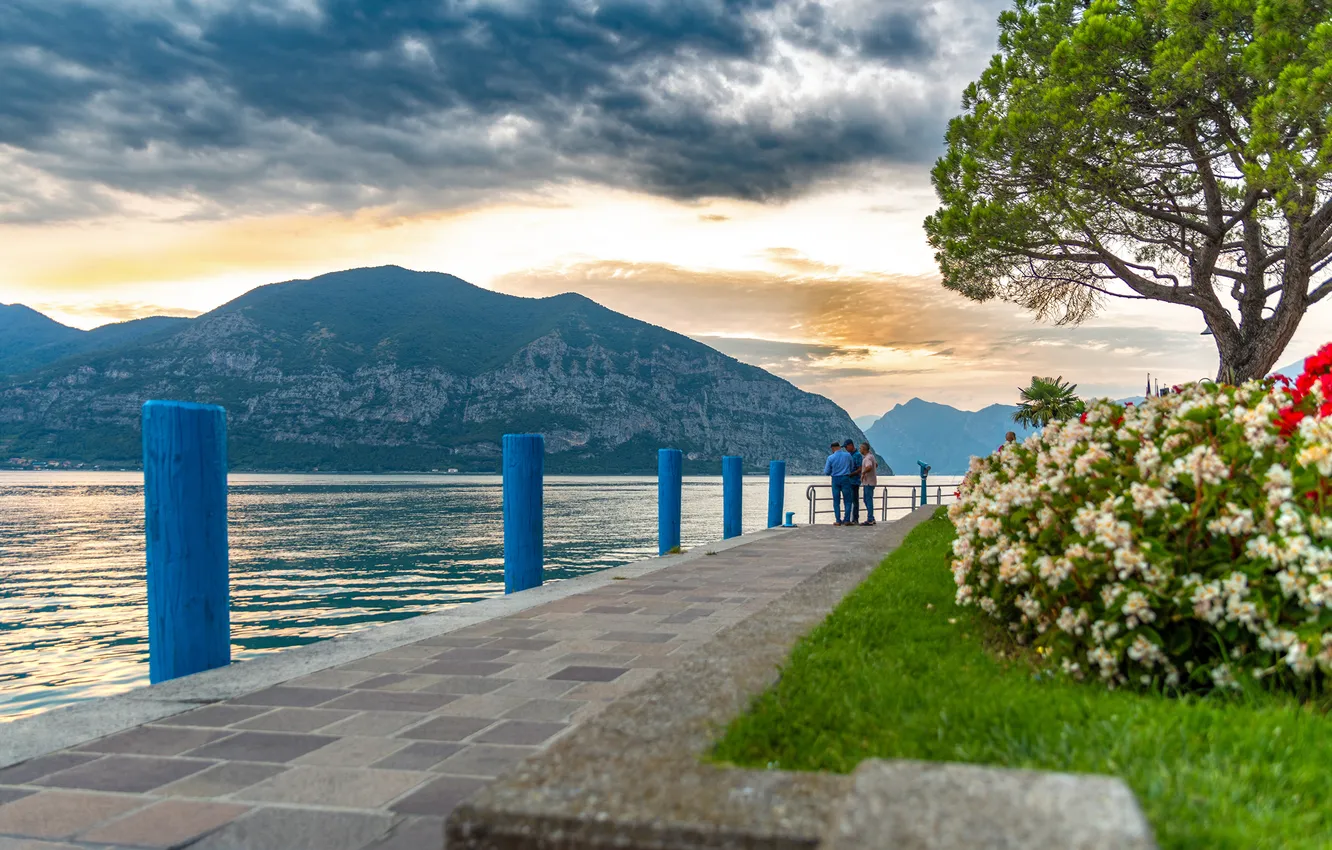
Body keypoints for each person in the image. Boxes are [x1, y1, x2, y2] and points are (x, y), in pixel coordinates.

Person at [822, 440, 855, 525]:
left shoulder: (830, 458)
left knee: (836, 501)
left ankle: (838, 520)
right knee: (847, 501)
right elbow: (852, 467)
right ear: (839, 447)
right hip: (845, 478)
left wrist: (833, 472)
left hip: (835, 479)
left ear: (833, 448)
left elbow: (826, 472)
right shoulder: (848, 455)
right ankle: (847, 520)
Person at [858, 441, 878, 525]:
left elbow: (869, 467)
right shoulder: (871, 456)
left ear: (864, 449)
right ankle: (871, 517)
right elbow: (876, 464)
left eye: (860, 448)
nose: (860, 450)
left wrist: (863, 473)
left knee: (868, 500)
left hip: (868, 483)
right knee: (867, 500)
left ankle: (870, 519)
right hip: (871, 481)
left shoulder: (867, 458)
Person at [844, 439, 862, 525]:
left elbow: (860, 469)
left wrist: (851, 474)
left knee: (855, 501)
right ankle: (847, 518)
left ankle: (855, 518)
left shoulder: (857, 455)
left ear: (851, 445)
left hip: (855, 481)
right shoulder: (848, 455)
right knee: (848, 500)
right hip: (848, 481)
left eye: (846, 447)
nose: (846, 449)